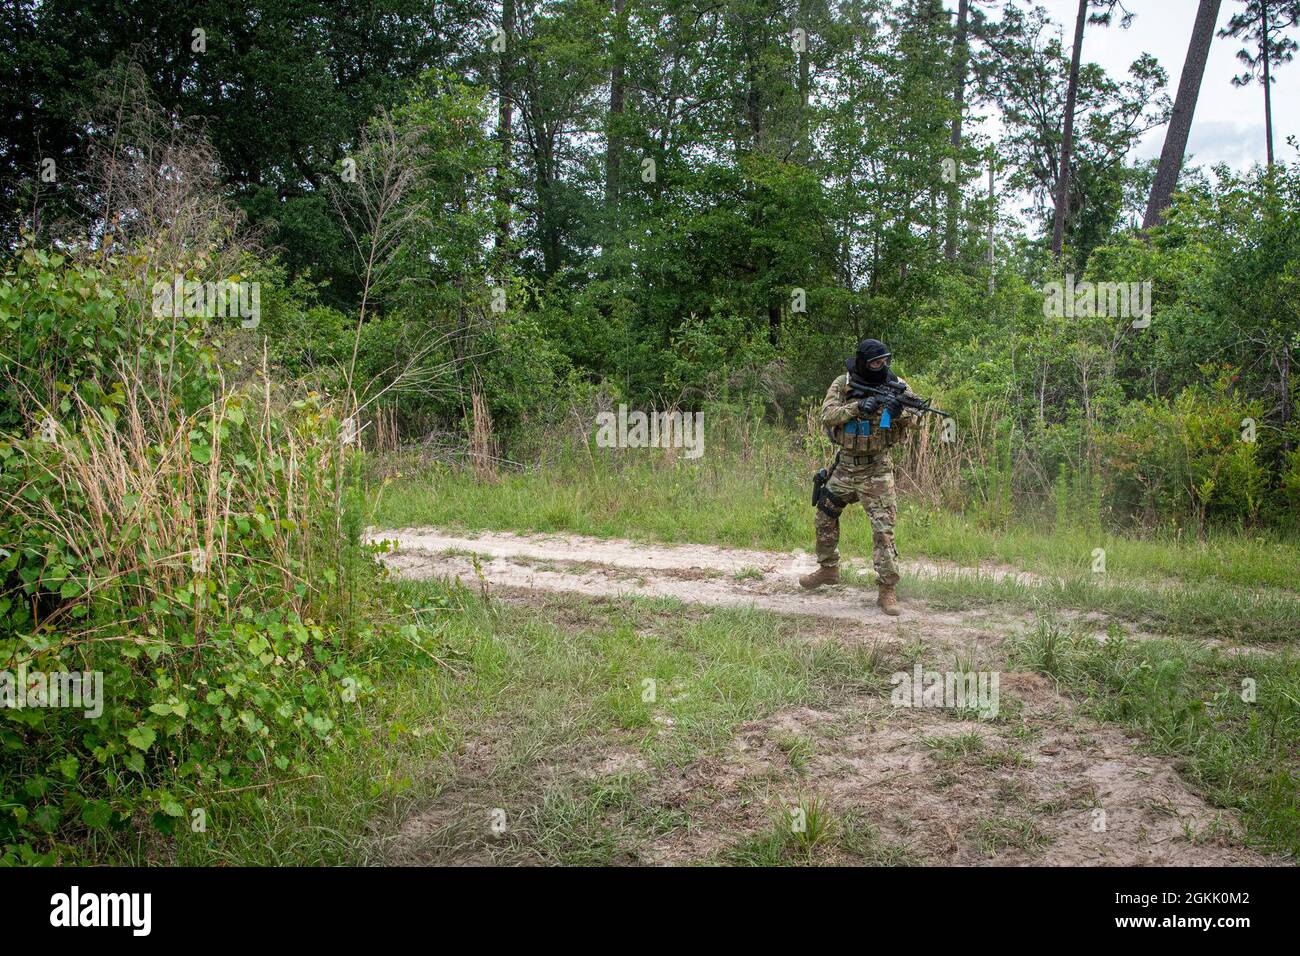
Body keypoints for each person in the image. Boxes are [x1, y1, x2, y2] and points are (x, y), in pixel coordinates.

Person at [800, 338, 917, 615]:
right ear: (864, 361)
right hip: (846, 465)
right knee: (825, 513)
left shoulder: (896, 384)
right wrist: (857, 407)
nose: (882, 366)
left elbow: (916, 416)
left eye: (885, 361)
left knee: (883, 531)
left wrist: (901, 415)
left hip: (876, 468)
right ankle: (828, 569)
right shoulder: (843, 383)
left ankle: (887, 590)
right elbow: (827, 415)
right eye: (876, 362)